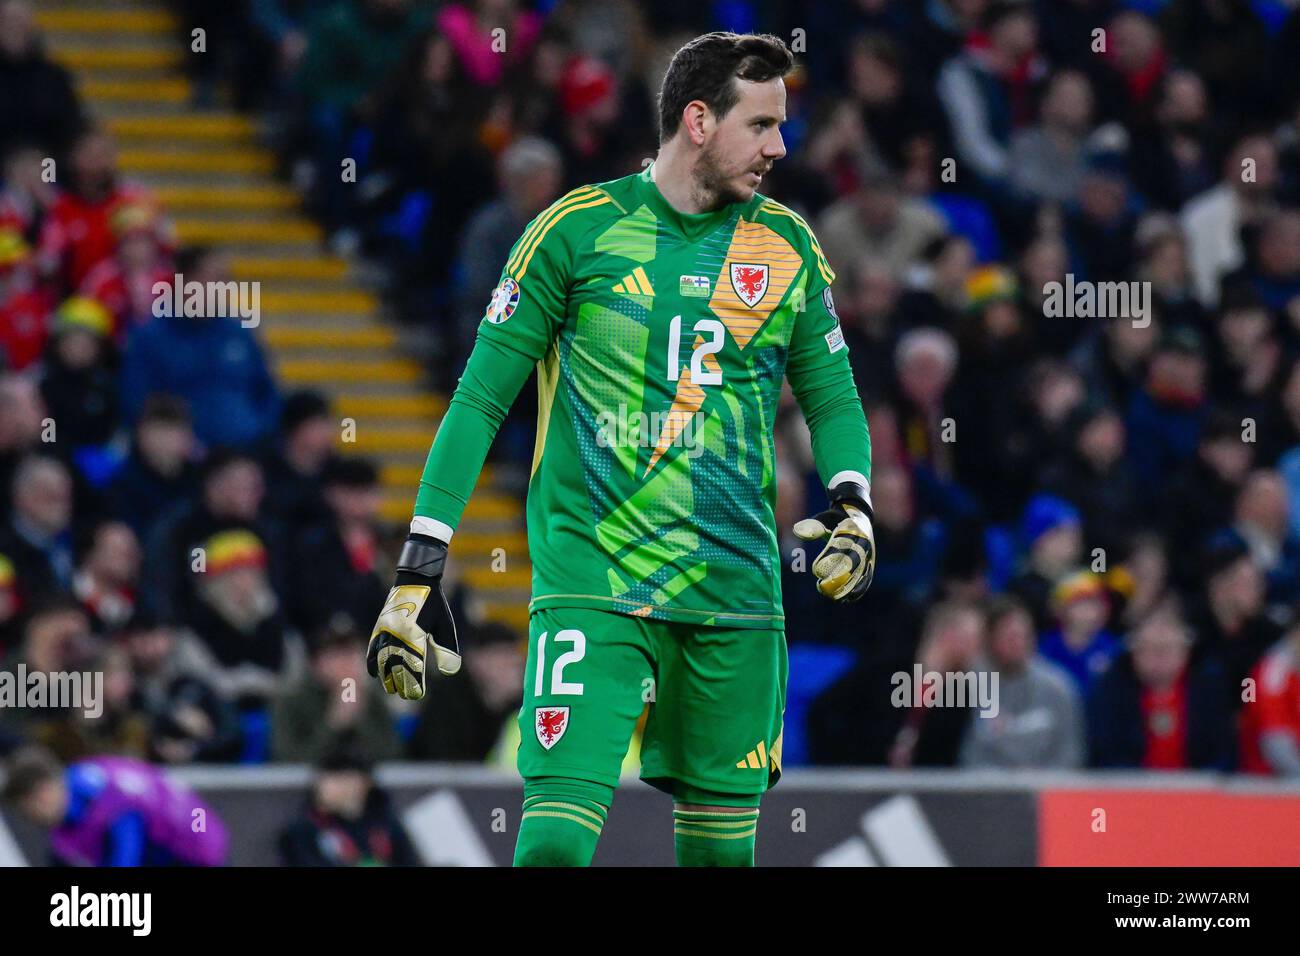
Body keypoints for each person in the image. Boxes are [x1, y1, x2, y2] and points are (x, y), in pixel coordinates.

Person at [364, 32, 875, 868]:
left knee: (719, 860)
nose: (780, 147)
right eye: (763, 125)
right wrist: (420, 567)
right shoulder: (576, 230)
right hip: (594, 581)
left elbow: (833, 395)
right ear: (699, 121)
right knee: (557, 843)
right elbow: (480, 398)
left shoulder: (784, 247)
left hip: (735, 591)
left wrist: (852, 502)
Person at [1, 746, 229, 866]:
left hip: (194, 846)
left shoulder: (106, 804)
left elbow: (127, 856)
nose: (29, 818)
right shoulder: (79, 785)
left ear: (42, 794)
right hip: (190, 832)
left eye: (27, 808)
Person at [277, 744, 419, 867]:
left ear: (365, 783)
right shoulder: (301, 831)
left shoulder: (388, 824)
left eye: (343, 778)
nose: (330, 786)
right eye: (325, 779)